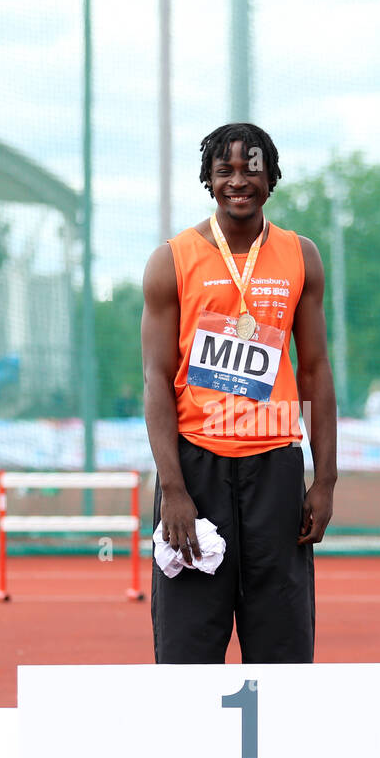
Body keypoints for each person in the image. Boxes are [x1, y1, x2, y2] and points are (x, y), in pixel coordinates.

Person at [141, 122, 337, 664]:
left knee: (283, 644)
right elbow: (156, 380)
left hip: (274, 467)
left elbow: (317, 371)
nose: (238, 180)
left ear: (271, 176)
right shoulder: (171, 259)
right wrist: (173, 489)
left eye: (252, 168)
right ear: (208, 179)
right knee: (187, 646)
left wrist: (325, 479)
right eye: (224, 170)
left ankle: (276, 749)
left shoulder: (302, 256)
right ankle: (190, 750)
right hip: (196, 469)